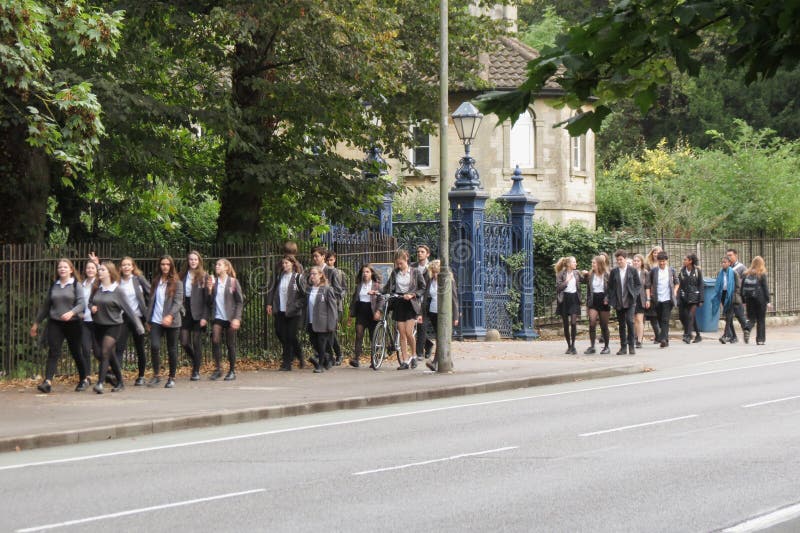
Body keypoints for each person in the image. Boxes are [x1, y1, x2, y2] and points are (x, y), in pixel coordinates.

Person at [30, 259, 87, 393]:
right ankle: (47, 382)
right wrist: (36, 323)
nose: (62, 269)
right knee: (53, 352)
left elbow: (82, 304)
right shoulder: (54, 286)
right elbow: (46, 306)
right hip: (55, 323)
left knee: (76, 352)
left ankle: (83, 379)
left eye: (65, 267)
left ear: (71, 270)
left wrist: (71, 312)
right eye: (60, 267)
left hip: (73, 324)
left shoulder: (75, 285)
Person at [89, 262, 145, 394]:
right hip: (98, 325)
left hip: (114, 326)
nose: (99, 271)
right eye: (99, 270)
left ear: (109, 272)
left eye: (102, 269)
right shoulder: (97, 287)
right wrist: (91, 307)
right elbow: (90, 302)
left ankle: (100, 383)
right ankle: (120, 381)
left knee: (104, 352)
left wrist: (139, 325)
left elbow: (129, 310)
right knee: (107, 354)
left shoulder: (118, 290)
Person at [382, 249, 425, 369]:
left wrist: (412, 294)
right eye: (397, 264)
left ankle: (414, 355)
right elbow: (387, 286)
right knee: (401, 333)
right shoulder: (395, 272)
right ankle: (405, 360)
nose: (399, 266)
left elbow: (422, 287)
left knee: (408, 332)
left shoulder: (415, 272)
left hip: (411, 304)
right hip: (399, 303)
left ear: (406, 258)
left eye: (401, 263)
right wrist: (378, 291)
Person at [146, 255, 183, 388]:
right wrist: (148, 319)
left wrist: (170, 316)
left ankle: (171, 377)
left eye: (167, 264)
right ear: (159, 266)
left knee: (172, 349)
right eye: (162, 264)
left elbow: (178, 302)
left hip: (172, 321)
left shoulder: (177, 282)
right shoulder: (156, 280)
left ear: (171, 266)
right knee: (154, 346)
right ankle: (156, 375)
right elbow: (152, 301)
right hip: (156, 319)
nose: (165, 266)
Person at [115, 256, 151, 386]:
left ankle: (141, 376)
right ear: (120, 267)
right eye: (124, 265)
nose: (126, 267)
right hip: (123, 317)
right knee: (119, 347)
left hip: (138, 317)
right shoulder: (117, 281)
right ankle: (118, 378)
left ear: (133, 267)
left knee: (139, 347)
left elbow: (151, 292)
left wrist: (149, 315)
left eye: (128, 265)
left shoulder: (138, 279)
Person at [207, 259, 244, 381]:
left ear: (226, 268)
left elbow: (239, 302)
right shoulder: (215, 282)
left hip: (230, 317)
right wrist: (209, 290)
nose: (216, 266)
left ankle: (232, 370)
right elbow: (210, 302)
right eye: (216, 265)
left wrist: (237, 318)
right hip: (218, 316)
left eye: (219, 265)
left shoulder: (233, 282)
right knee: (215, 339)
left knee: (230, 344)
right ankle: (218, 369)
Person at [267, 255, 304, 371]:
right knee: (280, 332)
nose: (284, 265)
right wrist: (270, 304)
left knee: (290, 336)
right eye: (283, 263)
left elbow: (304, 296)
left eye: (287, 263)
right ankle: (298, 354)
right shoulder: (279, 276)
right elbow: (272, 290)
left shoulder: (298, 277)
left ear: (293, 264)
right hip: (280, 310)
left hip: (293, 312)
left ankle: (287, 363)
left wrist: (296, 306)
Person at [300, 266, 339, 373]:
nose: (312, 276)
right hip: (311, 321)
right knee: (314, 342)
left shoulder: (327, 289)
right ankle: (327, 357)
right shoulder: (309, 289)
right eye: (311, 274)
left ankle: (320, 365)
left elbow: (332, 308)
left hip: (323, 322)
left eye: (314, 274)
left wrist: (332, 323)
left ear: (321, 275)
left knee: (321, 343)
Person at [423, 260, 460, 371]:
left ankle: (434, 362)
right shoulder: (430, 281)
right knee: (440, 338)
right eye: (433, 272)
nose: (435, 275)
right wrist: (422, 312)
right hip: (433, 312)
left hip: (445, 313)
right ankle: (449, 361)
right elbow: (425, 297)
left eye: (437, 272)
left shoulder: (449, 281)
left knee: (440, 338)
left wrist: (456, 316)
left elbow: (454, 299)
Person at [348, 264, 383, 368]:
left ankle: (374, 360)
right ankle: (356, 359)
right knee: (359, 334)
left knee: (373, 337)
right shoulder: (359, 285)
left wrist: (378, 311)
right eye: (363, 272)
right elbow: (354, 299)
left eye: (367, 272)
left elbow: (381, 299)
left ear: (371, 273)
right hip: (361, 312)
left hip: (372, 312)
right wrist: (350, 314)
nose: (365, 274)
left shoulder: (376, 285)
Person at [607, 249, 641, 355]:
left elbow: (638, 285)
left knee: (630, 322)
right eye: (617, 260)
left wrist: (634, 295)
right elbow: (610, 287)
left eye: (621, 259)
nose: (619, 262)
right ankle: (623, 347)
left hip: (630, 300)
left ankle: (631, 346)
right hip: (619, 301)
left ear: (625, 259)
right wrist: (612, 298)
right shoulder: (614, 271)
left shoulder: (632, 270)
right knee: (621, 324)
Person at [647, 251, 679, 348]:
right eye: (660, 261)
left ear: (666, 261)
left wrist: (675, 291)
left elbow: (677, 282)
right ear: (657, 261)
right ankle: (666, 339)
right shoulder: (653, 271)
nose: (662, 263)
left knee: (665, 319)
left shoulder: (671, 271)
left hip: (668, 299)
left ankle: (663, 339)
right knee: (660, 320)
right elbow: (648, 285)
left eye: (664, 261)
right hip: (657, 299)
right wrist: (649, 298)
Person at [581, 255, 610, 355]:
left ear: (599, 264)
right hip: (593, 300)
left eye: (594, 263)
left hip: (604, 300)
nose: (592, 265)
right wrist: (584, 275)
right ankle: (592, 346)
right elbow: (584, 282)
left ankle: (606, 346)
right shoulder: (591, 274)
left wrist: (607, 298)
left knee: (604, 325)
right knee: (592, 322)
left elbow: (611, 288)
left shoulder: (606, 274)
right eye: (592, 263)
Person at [78, 258, 99, 388]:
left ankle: (109, 372)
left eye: (92, 268)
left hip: (97, 321)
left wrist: (98, 263)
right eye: (88, 268)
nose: (90, 270)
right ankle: (86, 377)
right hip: (84, 320)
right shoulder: (81, 284)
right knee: (85, 349)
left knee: (98, 351)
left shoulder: (100, 283)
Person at [741, 256, 771, 345]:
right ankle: (760, 339)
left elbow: (742, 288)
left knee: (751, 318)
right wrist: (768, 301)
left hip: (749, 299)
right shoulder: (761, 274)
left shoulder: (746, 274)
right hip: (760, 300)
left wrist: (743, 301)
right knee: (761, 319)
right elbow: (765, 288)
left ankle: (747, 328)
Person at [711, 256, 740, 344]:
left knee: (729, 316)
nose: (723, 264)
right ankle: (734, 336)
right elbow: (718, 285)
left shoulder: (734, 273)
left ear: (729, 263)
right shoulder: (720, 273)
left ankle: (725, 335)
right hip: (723, 295)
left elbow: (738, 286)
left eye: (725, 262)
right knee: (728, 317)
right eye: (722, 262)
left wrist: (733, 294)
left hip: (731, 295)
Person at [555, 256, 581, 354]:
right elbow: (558, 289)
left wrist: (587, 274)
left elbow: (585, 280)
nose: (576, 264)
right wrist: (567, 281)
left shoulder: (577, 273)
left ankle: (573, 345)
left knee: (573, 323)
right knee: (566, 324)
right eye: (574, 262)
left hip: (574, 298)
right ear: (569, 264)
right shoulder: (561, 274)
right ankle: (569, 345)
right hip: (564, 299)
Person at [411, 244, 434, 359]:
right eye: (418, 252)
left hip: (426, 300)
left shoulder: (431, 267)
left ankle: (419, 353)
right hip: (413, 299)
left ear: (427, 254)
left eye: (422, 252)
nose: (419, 253)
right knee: (412, 326)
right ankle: (428, 344)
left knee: (421, 326)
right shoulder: (412, 266)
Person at [324, 251, 346, 365]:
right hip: (325, 305)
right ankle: (334, 354)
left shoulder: (339, 273)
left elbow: (343, 289)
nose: (329, 262)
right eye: (327, 260)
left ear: (335, 260)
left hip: (336, 305)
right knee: (329, 331)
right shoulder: (322, 271)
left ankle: (336, 354)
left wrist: (338, 296)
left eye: (331, 260)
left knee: (332, 331)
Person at [726, 248, 752, 342]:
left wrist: (745, 298)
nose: (729, 257)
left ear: (736, 255)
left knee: (740, 316)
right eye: (727, 255)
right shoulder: (727, 267)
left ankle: (746, 331)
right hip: (728, 296)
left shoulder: (742, 268)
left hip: (738, 296)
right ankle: (733, 336)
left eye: (730, 255)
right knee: (728, 317)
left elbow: (745, 283)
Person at [677, 253, 704, 344]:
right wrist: (678, 298)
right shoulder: (682, 271)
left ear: (690, 261)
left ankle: (688, 335)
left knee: (690, 316)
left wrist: (701, 299)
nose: (684, 261)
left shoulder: (697, 271)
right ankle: (698, 335)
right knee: (683, 316)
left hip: (694, 297)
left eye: (685, 259)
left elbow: (701, 285)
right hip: (684, 297)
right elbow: (679, 285)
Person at [644, 246, 664, 343]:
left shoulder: (663, 264)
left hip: (661, 293)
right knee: (653, 316)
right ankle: (658, 335)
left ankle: (660, 336)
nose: (656, 254)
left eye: (658, 252)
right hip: (651, 292)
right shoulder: (648, 265)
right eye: (654, 252)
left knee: (660, 316)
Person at [632, 254, 650, 349]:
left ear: (641, 262)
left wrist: (648, 299)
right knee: (634, 320)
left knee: (639, 319)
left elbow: (647, 287)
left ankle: (639, 340)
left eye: (638, 261)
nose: (636, 262)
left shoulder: (645, 272)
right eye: (634, 260)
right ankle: (635, 337)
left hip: (641, 298)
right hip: (632, 298)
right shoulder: (629, 271)